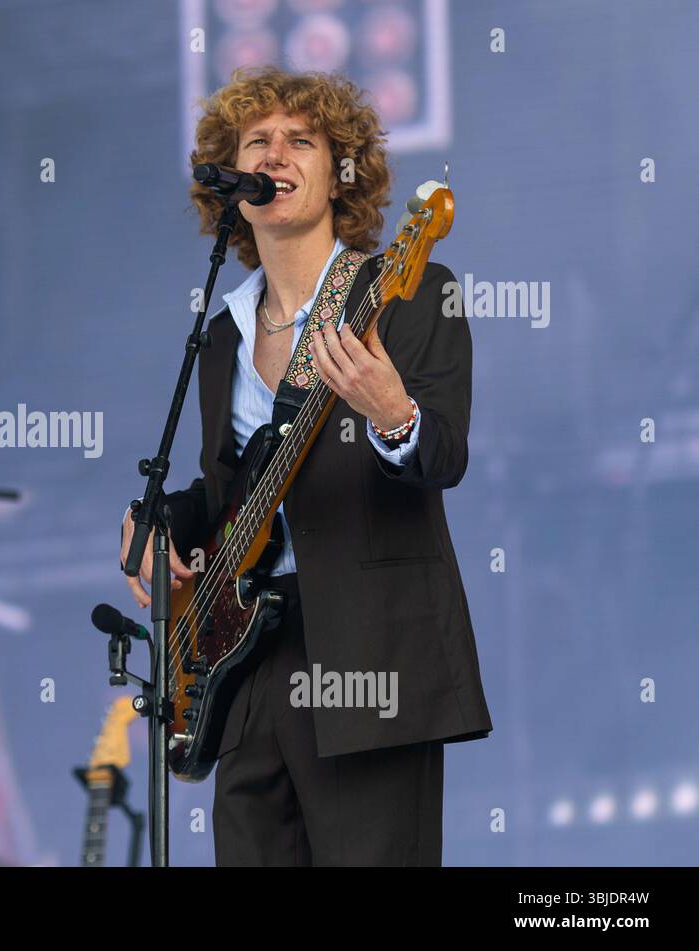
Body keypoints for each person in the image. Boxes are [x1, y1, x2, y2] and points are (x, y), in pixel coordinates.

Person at [120, 67, 492, 866]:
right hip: (240, 659)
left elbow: (445, 454)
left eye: (302, 140)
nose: (276, 154)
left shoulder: (411, 291)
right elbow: (228, 488)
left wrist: (395, 415)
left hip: (367, 650)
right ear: (234, 182)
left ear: (340, 170)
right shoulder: (222, 331)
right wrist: (157, 524)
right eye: (257, 142)